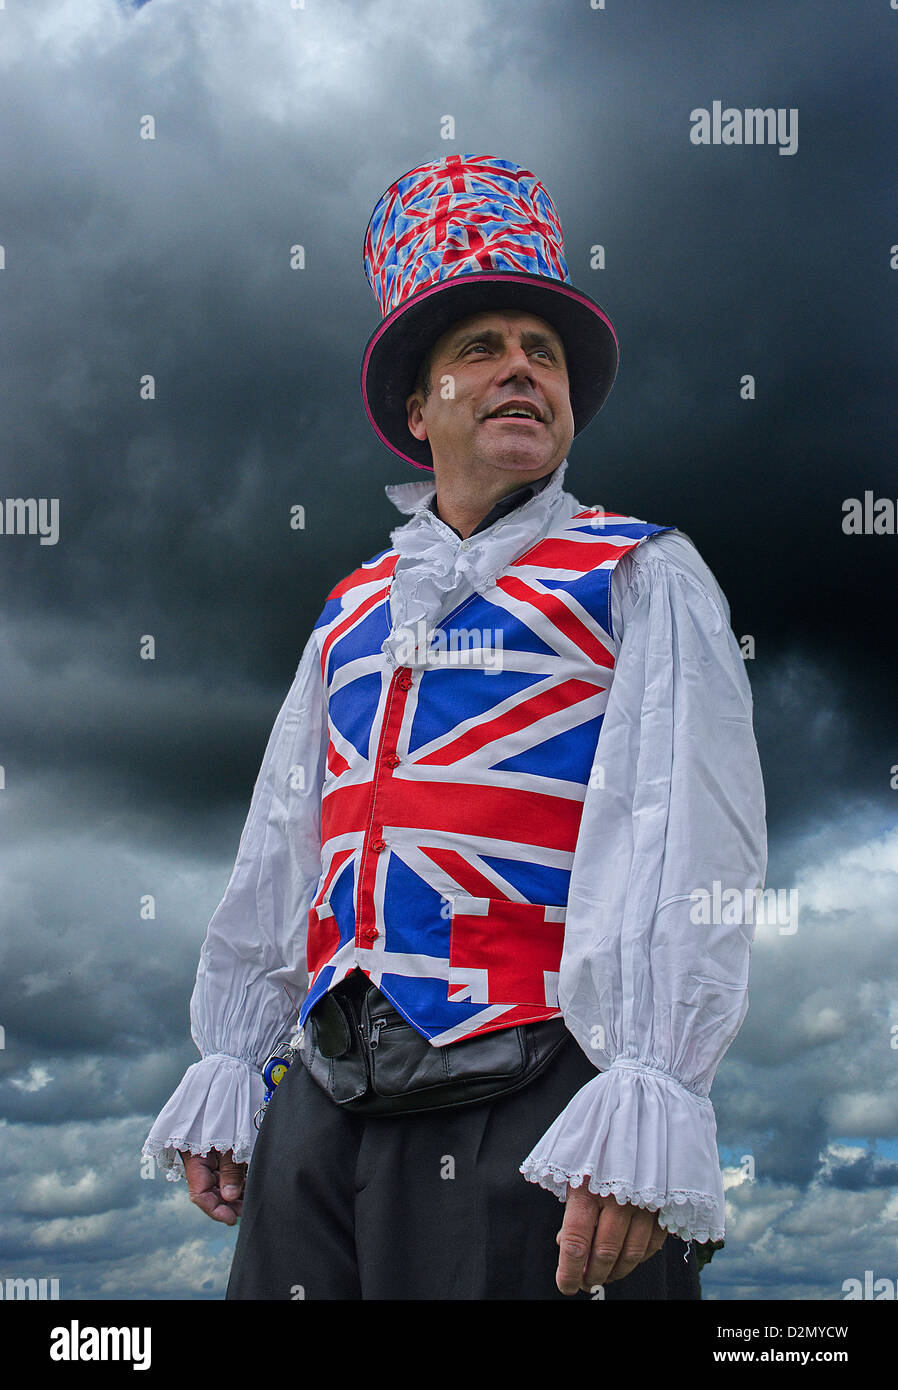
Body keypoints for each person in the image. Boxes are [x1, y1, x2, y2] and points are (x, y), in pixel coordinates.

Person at [142, 154, 767, 1300]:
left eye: (543, 352)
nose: (521, 370)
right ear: (418, 407)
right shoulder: (347, 610)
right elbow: (285, 846)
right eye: (481, 349)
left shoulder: (638, 572)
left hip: (534, 1106)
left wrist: (647, 1095)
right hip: (321, 1120)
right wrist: (233, 1057)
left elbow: (688, 841)